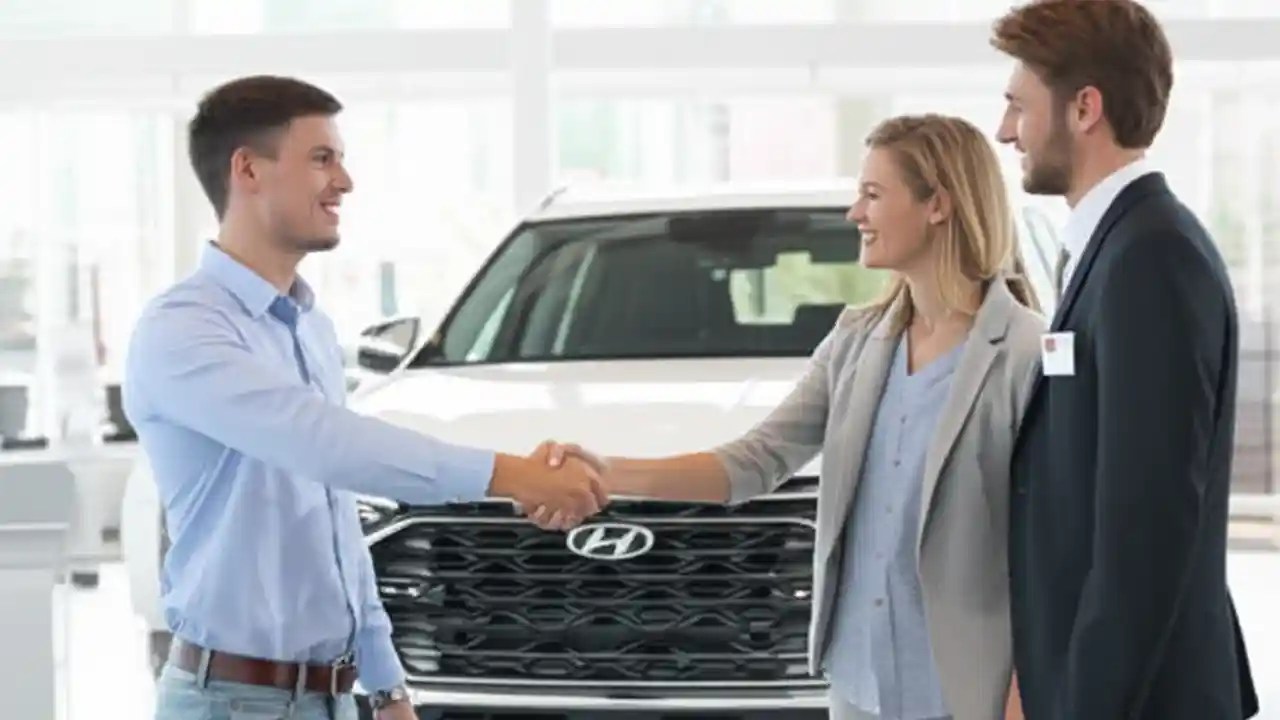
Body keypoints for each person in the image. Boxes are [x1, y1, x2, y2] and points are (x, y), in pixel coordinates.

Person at [122, 75, 607, 720]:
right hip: (232, 704)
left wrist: (385, 684)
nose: (344, 182)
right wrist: (512, 474)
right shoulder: (183, 329)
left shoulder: (309, 330)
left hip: (335, 699)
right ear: (248, 170)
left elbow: (337, 524)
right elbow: (324, 445)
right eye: (322, 159)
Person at [535, 114, 1043, 720]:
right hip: (858, 688)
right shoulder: (856, 341)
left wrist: (1022, 703)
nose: (856, 213)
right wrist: (607, 472)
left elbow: (1052, 553)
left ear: (938, 204)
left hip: (965, 697)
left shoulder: (1026, 353)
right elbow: (752, 463)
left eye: (873, 195)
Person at [989, 2, 1260, 718]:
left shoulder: (1151, 257)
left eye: (1018, 105)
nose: (1005, 130)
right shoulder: (1115, 247)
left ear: (1085, 108)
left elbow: (1146, 526)